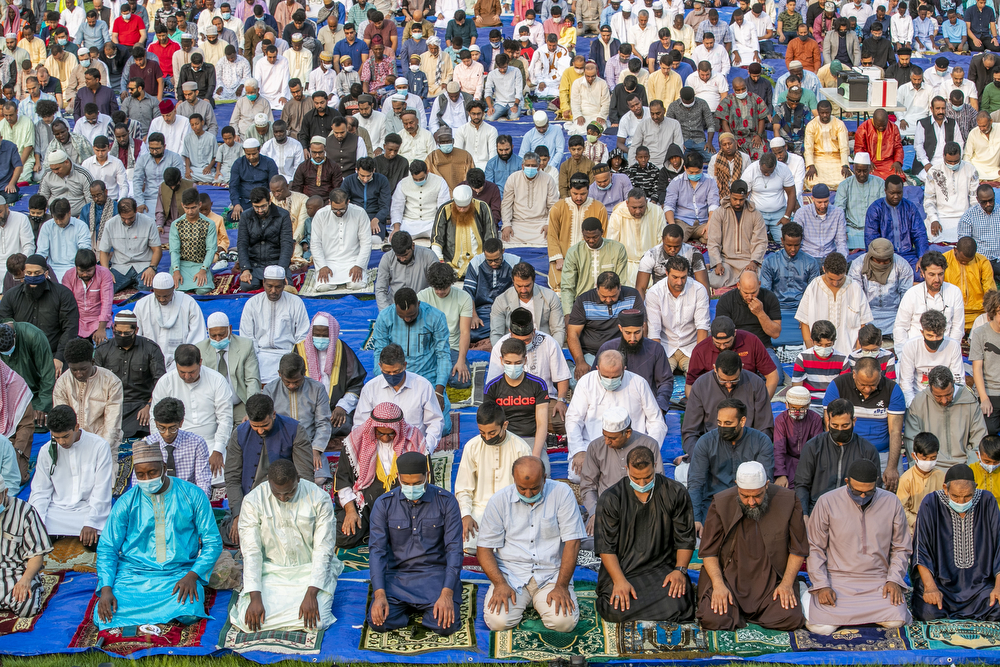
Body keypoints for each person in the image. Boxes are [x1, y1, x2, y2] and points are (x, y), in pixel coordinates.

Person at [94, 439, 221, 630]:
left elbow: (213, 542)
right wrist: (106, 589)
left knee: (189, 611)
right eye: (141, 474)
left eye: (152, 472)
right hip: (134, 575)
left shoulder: (192, 495)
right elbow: (107, 547)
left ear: (163, 467)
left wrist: (193, 575)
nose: (147, 479)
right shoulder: (126, 502)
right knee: (105, 613)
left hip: (178, 574)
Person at [228, 456, 342, 632]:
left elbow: (323, 549)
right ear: (269, 482)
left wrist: (312, 593)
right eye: (277, 493)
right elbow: (252, 552)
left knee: (317, 622)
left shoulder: (318, 498)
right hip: (272, 571)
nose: (283, 498)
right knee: (247, 621)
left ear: (298, 478)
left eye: (289, 492)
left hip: (310, 570)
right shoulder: (253, 501)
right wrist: (255, 596)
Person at [804, 459, 912, 635]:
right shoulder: (827, 502)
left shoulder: (891, 502)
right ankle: (806, 593)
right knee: (821, 628)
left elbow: (901, 547)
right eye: (857, 491)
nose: (862, 497)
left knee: (896, 621)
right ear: (847, 482)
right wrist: (822, 585)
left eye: (868, 492)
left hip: (878, 582)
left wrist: (893, 580)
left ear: (877, 483)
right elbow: (814, 547)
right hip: (837, 581)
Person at [478, 454, 585, 631]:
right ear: (514, 480)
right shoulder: (499, 501)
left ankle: (539, 600)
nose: (528, 494)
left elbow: (572, 542)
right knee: (498, 622)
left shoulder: (561, 493)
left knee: (563, 623)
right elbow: (484, 549)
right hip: (511, 576)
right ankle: (528, 600)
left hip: (551, 575)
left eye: (534, 489)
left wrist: (561, 586)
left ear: (544, 478)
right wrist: (500, 584)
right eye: (522, 489)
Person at [697, 461, 807, 630]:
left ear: (767, 485)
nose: (751, 502)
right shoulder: (721, 502)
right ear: (737, 487)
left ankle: (795, 588)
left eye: (757, 495)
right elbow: (708, 552)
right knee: (714, 619)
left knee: (789, 618)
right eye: (744, 496)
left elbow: (798, 549)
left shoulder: (788, 500)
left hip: (772, 581)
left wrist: (786, 584)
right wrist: (718, 585)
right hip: (730, 579)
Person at [594, 445, 695, 622]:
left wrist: (679, 570)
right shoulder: (611, 498)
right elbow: (605, 546)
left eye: (648, 478)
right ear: (627, 470)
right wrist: (619, 581)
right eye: (636, 478)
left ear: (655, 466)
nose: (642, 484)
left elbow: (685, 538)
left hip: (661, 569)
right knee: (614, 609)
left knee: (679, 605)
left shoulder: (675, 492)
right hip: (623, 569)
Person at [367, 450, 463, 635]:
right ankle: (414, 613)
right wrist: (379, 594)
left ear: (427, 475)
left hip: (435, 577)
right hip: (396, 578)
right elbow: (377, 551)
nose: (412, 488)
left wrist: (447, 593)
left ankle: (419, 613)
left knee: (446, 626)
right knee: (378, 623)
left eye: (418, 483)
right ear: (398, 477)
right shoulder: (383, 504)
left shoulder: (446, 501)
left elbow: (454, 549)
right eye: (407, 483)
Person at [911, 462, 1000, 620]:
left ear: (975, 488)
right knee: (928, 611)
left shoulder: (987, 501)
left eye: (967, 496)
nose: (961, 502)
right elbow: (921, 549)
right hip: (941, 587)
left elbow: (999, 547)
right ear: (945, 488)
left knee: (998, 606)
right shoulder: (930, 503)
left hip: (980, 589)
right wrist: (930, 588)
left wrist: (998, 588)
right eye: (956, 496)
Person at [224, 393, 313, 545]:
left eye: (265, 425)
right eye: (255, 426)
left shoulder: (295, 430)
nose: (260, 431)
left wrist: (296, 509)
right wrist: (238, 514)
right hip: (250, 503)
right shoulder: (239, 433)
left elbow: (305, 475)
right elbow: (232, 478)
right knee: (234, 534)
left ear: (273, 414)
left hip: (285, 499)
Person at [565, 349, 666, 479]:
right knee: (576, 476)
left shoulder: (638, 383)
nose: (610, 380)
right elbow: (573, 419)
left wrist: (648, 451)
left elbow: (656, 421)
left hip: (632, 447)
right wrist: (578, 451)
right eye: (606, 377)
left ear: (624, 369)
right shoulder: (586, 382)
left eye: (615, 376)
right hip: (594, 447)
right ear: (597, 368)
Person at [28, 405, 113, 545]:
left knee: (97, 541)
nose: (61, 442)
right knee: (34, 535)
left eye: (65, 437)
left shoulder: (99, 446)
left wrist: (92, 522)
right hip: (56, 511)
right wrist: (37, 523)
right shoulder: (46, 450)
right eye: (56, 437)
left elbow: (102, 489)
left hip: (87, 508)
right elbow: (40, 491)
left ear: (76, 427)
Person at [454, 404, 532, 552]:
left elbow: (526, 490)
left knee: (519, 549)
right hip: (480, 511)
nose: (487, 438)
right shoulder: (472, 446)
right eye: (482, 433)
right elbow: (463, 488)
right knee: (468, 546)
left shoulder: (521, 448)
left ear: (505, 425)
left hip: (513, 511)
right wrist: (466, 515)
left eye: (492, 433)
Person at [823, 357, 906, 490]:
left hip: (883, 453)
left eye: (873, 385)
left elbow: (895, 431)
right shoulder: (838, 386)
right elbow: (830, 425)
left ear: (880, 376)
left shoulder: (892, 390)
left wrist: (892, 467)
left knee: (895, 489)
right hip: (847, 451)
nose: (867, 389)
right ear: (854, 374)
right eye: (863, 384)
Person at [371, 287, 452, 424]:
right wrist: (387, 380)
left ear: (419, 304)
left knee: (441, 426)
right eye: (402, 316)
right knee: (387, 421)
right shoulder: (385, 317)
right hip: (396, 375)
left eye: (412, 315)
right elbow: (380, 352)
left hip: (427, 376)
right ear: (395, 308)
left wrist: (438, 391)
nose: (407, 319)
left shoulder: (435, 317)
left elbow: (443, 354)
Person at [794, 398, 882, 515]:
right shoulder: (813, 447)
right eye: (835, 425)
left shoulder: (867, 450)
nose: (840, 430)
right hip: (818, 510)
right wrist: (804, 514)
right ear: (828, 421)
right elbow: (802, 484)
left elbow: (875, 487)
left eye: (845, 426)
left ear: (854, 421)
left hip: (854, 513)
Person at [0, 252, 80, 371]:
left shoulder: (63, 294)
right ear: (24, 273)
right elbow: (5, 328)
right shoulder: (11, 296)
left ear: (46, 273)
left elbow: (70, 328)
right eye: (29, 273)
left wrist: (59, 357)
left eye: (37, 273)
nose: (32, 277)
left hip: (53, 356)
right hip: (21, 358)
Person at [93, 310, 165, 441]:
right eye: (118, 333)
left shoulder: (151, 349)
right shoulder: (103, 350)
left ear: (136, 330)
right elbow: (96, 383)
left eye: (127, 333)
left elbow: (160, 382)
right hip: (111, 405)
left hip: (141, 406)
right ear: (113, 328)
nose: (122, 336)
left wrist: (149, 406)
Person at [53, 336, 123, 461]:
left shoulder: (111, 381)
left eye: (83, 369)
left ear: (92, 361)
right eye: (74, 370)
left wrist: (101, 450)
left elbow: (112, 425)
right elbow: (61, 422)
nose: (79, 374)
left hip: (104, 446)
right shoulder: (62, 382)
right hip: (71, 445)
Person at [239, 266, 310, 383]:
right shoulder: (252, 304)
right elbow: (247, 337)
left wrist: (294, 358)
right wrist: (253, 359)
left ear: (284, 284)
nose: (273, 291)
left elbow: (302, 335)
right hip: (259, 354)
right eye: (269, 286)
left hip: (287, 354)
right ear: (263, 283)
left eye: (278, 287)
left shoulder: (296, 303)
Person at [796, 252, 874, 356]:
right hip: (818, 353)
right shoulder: (814, 286)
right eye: (831, 279)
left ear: (845, 272)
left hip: (848, 353)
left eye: (840, 279)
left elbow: (863, 323)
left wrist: (857, 352)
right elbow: (804, 322)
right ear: (824, 269)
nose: (835, 283)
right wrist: (811, 350)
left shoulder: (855, 287)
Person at [644, 254, 709, 375]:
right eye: (675, 277)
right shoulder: (654, 293)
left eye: (683, 277)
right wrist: (658, 361)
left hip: (691, 347)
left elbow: (702, 326)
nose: (679, 282)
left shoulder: (698, 290)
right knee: (659, 376)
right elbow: (654, 331)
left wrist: (699, 357)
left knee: (698, 376)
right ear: (666, 273)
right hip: (665, 348)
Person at [0, 474, 53, 618]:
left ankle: (31, 586)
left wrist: (26, 579)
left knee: (26, 606)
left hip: (17, 573)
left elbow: (36, 554)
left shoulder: (24, 511)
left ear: (5, 492)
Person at [133, 272, 206, 370]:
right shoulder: (142, 305)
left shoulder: (188, 303)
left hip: (182, 363)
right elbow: (137, 335)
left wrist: (185, 358)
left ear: (173, 288)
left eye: (166, 296)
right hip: (149, 361)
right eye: (158, 296)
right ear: (153, 290)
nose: (162, 299)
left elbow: (197, 336)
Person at [897, 311, 966, 407]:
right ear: (922, 332)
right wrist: (913, 406)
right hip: (919, 399)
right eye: (930, 335)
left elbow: (959, 381)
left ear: (944, 331)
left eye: (938, 335)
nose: (934, 339)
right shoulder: (911, 346)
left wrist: (950, 402)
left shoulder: (953, 346)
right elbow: (906, 382)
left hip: (946, 400)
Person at [706, 180, 767, 289]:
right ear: (729, 194)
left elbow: (760, 241)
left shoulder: (756, 214)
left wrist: (754, 261)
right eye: (735, 199)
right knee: (713, 281)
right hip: (726, 263)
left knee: (762, 281)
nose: (738, 203)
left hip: (748, 263)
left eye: (741, 200)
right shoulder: (720, 212)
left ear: (747, 196)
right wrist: (717, 263)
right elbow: (713, 241)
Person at [894, 251, 966, 343]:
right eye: (931, 274)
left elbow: (957, 328)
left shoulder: (954, 292)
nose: (937, 279)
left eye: (940, 274)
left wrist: (950, 350)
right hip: (916, 350)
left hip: (945, 349)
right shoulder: (912, 294)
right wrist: (904, 354)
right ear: (922, 273)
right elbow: (900, 328)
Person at [848, 239, 915, 335]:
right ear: (871, 257)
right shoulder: (858, 264)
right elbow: (855, 295)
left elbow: (906, 295)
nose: (881, 264)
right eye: (878, 261)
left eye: (885, 261)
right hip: (866, 314)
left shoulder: (902, 265)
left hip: (894, 315)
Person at [429, 185, 497, 278]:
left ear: (471, 200)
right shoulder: (445, 210)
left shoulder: (482, 207)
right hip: (451, 263)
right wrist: (440, 261)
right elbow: (437, 238)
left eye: (465, 207)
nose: (462, 210)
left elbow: (491, 235)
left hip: (479, 261)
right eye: (459, 207)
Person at [500, 152, 559, 246]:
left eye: (533, 165)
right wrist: (507, 225)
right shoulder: (513, 178)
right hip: (518, 224)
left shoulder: (548, 179)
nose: (530, 168)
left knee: (550, 242)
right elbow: (506, 204)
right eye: (528, 165)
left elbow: (553, 205)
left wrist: (548, 224)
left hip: (540, 223)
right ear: (522, 166)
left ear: (539, 167)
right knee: (506, 242)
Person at [774, 386, 824, 488]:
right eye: (793, 408)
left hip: (809, 463)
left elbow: (817, 449)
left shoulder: (815, 419)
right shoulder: (781, 420)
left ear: (808, 406)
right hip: (788, 463)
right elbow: (779, 449)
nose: (797, 412)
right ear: (786, 404)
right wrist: (781, 474)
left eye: (801, 408)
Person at [374, 231, 437, 310]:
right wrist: (386, 313)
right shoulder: (387, 258)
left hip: (422, 308)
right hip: (395, 309)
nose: (402, 259)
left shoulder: (428, 256)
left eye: (405, 255)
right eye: (398, 256)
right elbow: (381, 289)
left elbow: (437, 285)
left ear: (413, 246)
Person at [945, 237, 995, 331]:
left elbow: (990, 289)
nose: (964, 263)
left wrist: (990, 311)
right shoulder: (943, 260)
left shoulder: (982, 261)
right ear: (955, 249)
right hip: (951, 311)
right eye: (962, 259)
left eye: (968, 261)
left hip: (978, 313)